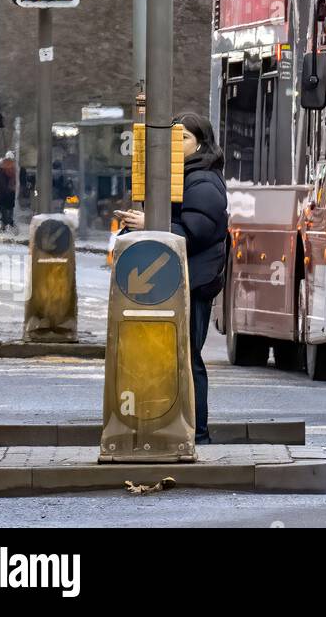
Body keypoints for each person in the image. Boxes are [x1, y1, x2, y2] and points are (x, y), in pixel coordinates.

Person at [117, 113, 228, 445]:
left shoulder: (203, 180)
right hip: (181, 279)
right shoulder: (182, 177)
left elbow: (198, 231)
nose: (176, 146)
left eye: (184, 139)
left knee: (188, 357)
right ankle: (185, 427)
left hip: (193, 281)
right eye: (172, 140)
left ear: (200, 144)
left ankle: (200, 432)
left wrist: (149, 222)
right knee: (178, 356)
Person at [0, 151, 17, 232]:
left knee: (5, 208)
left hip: (5, 192)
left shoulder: (2, 171)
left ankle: (6, 224)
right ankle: (7, 223)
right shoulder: (8, 169)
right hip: (7, 192)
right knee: (7, 208)